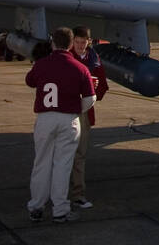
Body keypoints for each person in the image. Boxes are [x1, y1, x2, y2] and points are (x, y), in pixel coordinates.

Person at [25, 27, 95, 224]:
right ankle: (60, 210)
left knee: (41, 163)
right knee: (63, 165)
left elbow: (30, 81)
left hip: (45, 118)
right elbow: (90, 98)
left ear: (52, 43)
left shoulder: (41, 64)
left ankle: (36, 206)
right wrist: (75, 109)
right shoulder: (80, 68)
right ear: (71, 45)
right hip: (68, 119)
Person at [68, 26, 107, 211]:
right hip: (67, 110)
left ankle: (78, 193)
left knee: (80, 154)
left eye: (84, 42)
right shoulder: (67, 58)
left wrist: (93, 90)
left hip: (85, 110)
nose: (80, 46)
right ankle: (59, 193)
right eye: (77, 42)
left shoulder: (94, 59)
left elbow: (103, 86)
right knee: (61, 154)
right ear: (72, 41)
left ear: (89, 42)